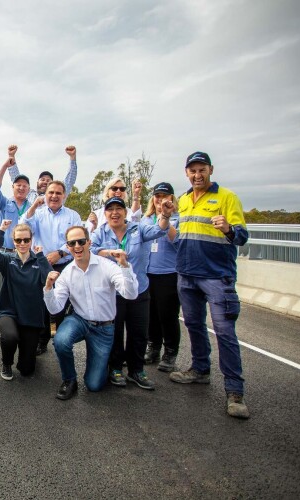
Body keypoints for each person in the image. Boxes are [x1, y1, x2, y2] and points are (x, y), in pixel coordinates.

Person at [170, 152, 250, 419]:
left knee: (225, 332)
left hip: (216, 276)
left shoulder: (227, 198)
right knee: (193, 325)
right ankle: (200, 369)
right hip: (187, 274)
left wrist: (228, 228)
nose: (197, 175)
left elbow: (242, 236)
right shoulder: (182, 200)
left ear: (210, 170)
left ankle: (235, 391)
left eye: (201, 169)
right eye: (192, 171)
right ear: (186, 173)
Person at [44, 226, 138, 400]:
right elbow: (55, 308)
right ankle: (69, 380)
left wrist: (125, 266)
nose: (77, 246)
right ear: (68, 246)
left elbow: (130, 294)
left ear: (89, 242)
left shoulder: (107, 266)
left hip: (104, 328)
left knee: (94, 385)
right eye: (72, 243)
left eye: (81, 241)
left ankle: (103, 366)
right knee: (61, 340)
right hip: (79, 320)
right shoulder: (67, 273)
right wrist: (48, 287)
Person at [91, 196, 173, 390]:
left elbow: (159, 230)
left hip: (139, 290)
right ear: (105, 213)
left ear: (125, 212)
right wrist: (110, 252)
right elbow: (91, 249)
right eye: (110, 209)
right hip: (113, 293)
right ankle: (116, 368)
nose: (115, 213)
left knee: (139, 333)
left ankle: (137, 370)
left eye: (119, 208)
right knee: (116, 332)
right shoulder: (100, 232)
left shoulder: (138, 228)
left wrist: (165, 216)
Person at [20, 180, 82, 354]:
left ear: (64, 196)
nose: (54, 196)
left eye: (58, 193)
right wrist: (34, 205)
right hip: (41, 265)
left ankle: (61, 340)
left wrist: (60, 253)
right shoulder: (38, 214)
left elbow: (79, 238)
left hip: (64, 265)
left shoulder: (72, 216)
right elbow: (23, 223)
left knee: (60, 303)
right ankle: (42, 340)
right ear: (45, 195)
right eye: (50, 193)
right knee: (41, 303)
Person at [0, 220, 52, 380]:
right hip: (8, 312)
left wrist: (41, 257)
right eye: (18, 240)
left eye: (26, 240)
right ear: (14, 241)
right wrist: (1, 231)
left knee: (26, 370)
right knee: (10, 337)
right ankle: (6, 363)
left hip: (31, 317)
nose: (22, 243)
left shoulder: (39, 260)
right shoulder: (8, 261)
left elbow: (49, 279)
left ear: (31, 240)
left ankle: (28, 356)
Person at [0, 146, 31, 346]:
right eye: (18, 185)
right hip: (4, 253)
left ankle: (20, 326)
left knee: (23, 292)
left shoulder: (33, 207)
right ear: (13, 187)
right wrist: (6, 163)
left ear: (28, 189)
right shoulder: (4, 204)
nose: (21, 188)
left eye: (24, 186)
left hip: (25, 255)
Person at [142, 182, 181, 373]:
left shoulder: (178, 219)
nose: (160, 199)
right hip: (148, 273)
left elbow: (179, 242)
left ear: (172, 198)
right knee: (151, 315)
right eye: (157, 196)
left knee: (167, 315)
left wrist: (165, 220)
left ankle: (170, 353)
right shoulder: (146, 219)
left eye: (165, 196)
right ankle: (153, 348)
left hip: (168, 274)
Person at [7, 144, 79, 205]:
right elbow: (17, 179)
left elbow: (70, 180)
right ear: (37, 182)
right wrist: (11, 156)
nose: (45, 182)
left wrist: (72, 158)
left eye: (48, 180)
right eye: (42, 179)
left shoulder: (57, 196)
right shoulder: (29, 194)